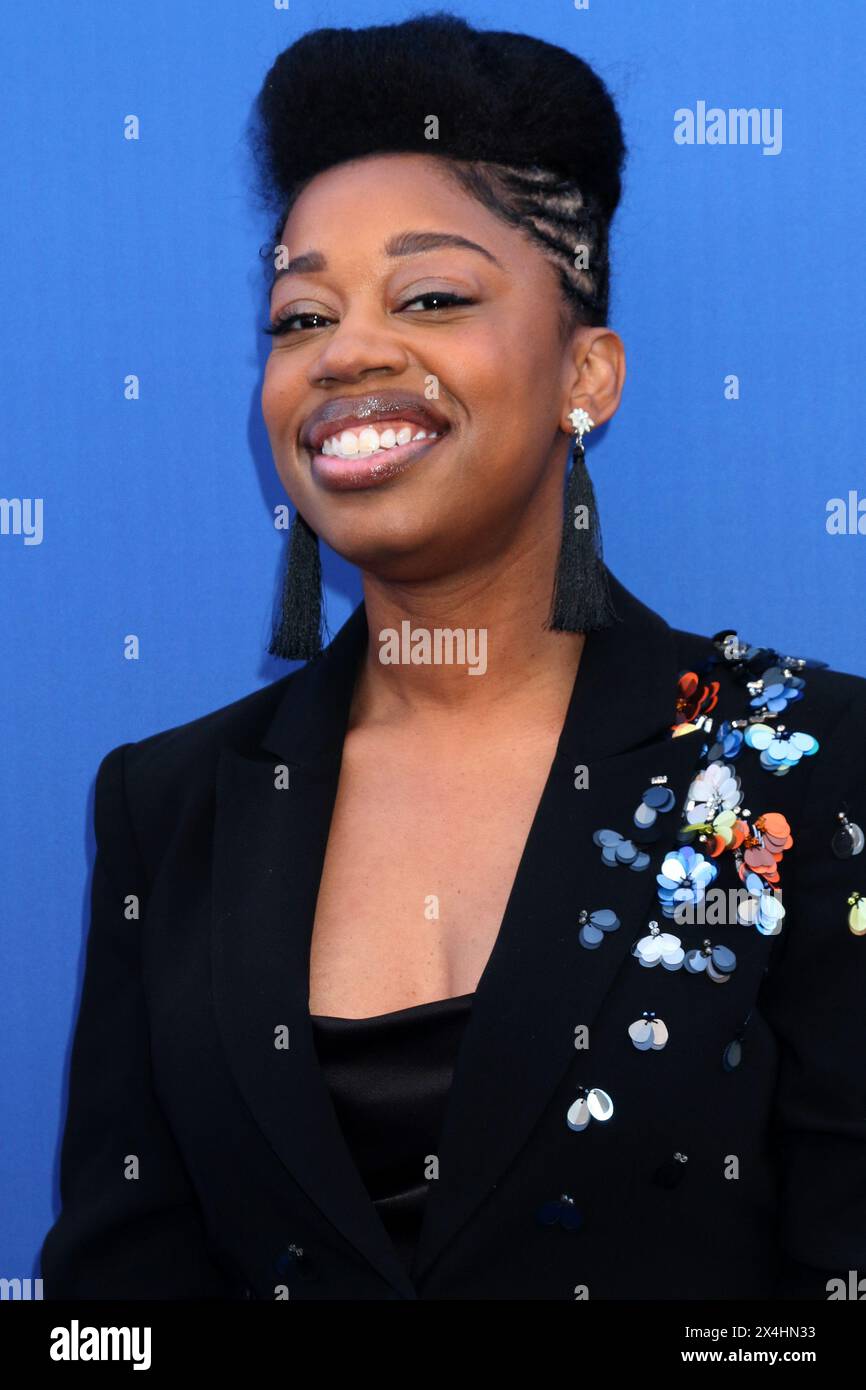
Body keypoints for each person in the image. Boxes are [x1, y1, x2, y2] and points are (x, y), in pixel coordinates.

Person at [41, 11, 866, 1300]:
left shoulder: (801, 767)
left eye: (432, 296)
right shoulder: (169, 805)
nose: (349, 353)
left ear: (585, 374)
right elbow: (115, 1308)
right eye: (301, 314)